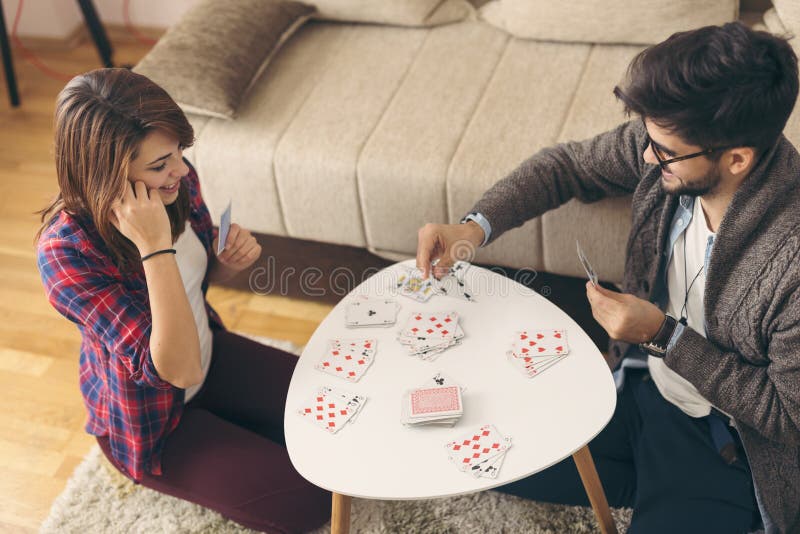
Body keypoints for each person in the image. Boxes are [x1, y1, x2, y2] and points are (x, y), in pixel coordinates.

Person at [416, 22, 800, 533]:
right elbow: (565, 166)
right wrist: (472, 228)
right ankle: (654, 486)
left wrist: (664, 336)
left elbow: (786, 418)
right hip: (637, 386)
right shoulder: (668, 143)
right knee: (482, 454)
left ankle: (704, 502)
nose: (645, 157)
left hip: (724, 442)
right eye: (648, 138)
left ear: (736, 159)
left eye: (662, 151)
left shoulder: (791, 261)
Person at [36, 68, 330, 533]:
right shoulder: (67, 255)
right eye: (158, 165)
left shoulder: (176, 181)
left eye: (177, 153)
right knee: (314, 502)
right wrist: (155, 247)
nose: (178, 170)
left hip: (210, 354)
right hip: (154, 418)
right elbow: (179, 372)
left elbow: (204, 274)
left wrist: (232, 260)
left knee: (338, 411)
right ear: (108, 174)